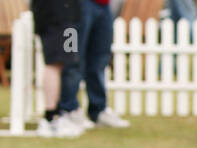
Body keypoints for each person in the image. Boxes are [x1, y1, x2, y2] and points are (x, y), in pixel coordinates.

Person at [59, 0, 131, 130]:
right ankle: (69, 109)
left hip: (103, 5)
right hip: (77, 5)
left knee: (99, 60)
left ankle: (98, 110)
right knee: (73, 59)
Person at [31, 0, 84, 137]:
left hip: (69, 17)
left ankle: (63, 112)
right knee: (54, 63)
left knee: (67, 62)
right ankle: (50, 117)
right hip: (54, 18)